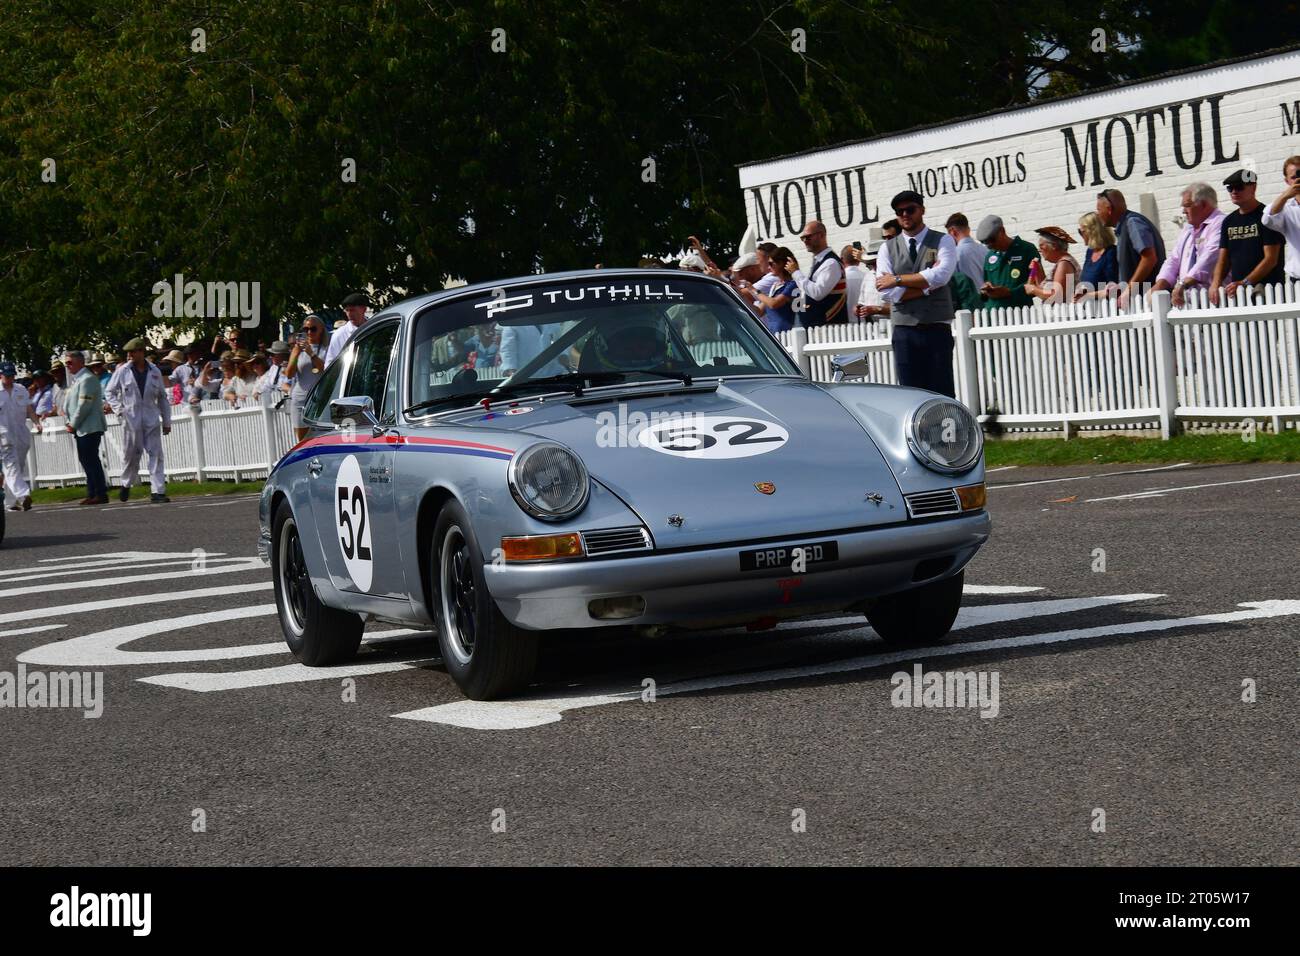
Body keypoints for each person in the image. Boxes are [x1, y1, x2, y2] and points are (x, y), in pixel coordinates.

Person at [874, 190, 958, 396]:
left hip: (936, 327)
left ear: (922, 210)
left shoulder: (943, 240)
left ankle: (947, 429)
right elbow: (886, 293)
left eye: (910, 209)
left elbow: (942, 276)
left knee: (942, 391)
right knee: (911, 394)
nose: (904, 215)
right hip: (904, 331)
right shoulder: (887, 248)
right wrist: (927, 285)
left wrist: (896, 279)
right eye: (899, 211)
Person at [105, 337, 172, 503]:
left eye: (132, 352)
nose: (129, 355)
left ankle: (158, 491)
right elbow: (109, 392)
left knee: (156, 454)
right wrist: (119, 410)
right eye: (128, 352)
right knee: (132, 455)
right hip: (131, 418)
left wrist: (167, 421)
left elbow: (162, 397)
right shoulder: (123, 371)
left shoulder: (154, 371)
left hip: (150, 416)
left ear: (141, 352)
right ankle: (126, 483)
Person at [1210, 169, 1286, 304]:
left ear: (1253, 188)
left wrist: (1244, 282)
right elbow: (1223, 259)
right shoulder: (1228, 221)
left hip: (1268, 292)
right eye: (1230, 188)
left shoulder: (1267, 217)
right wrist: (1215, 283)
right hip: (1240, 294)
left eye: (1239, 187)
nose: (1234, 191)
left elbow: (1271, 259)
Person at [1152, 182, 1226, 307]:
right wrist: (1161, 283)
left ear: (1203, 204)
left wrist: (1183, 283)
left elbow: (1209, 258)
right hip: (1188, 302)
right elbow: (1173, 260)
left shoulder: (1221, 223)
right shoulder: (1187, 230)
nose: (1183, 211)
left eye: (1187, 205)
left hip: (1214, 301)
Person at [1096, 188, 1166, 310]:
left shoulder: (1133, 223)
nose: (1097, 214)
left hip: (1149, 303)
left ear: (1109, 209)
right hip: (1143, 302)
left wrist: (1128, 290)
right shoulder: (1125, 226)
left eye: (1098, 210)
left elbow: (1149, 258)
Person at [60, 350, 109, 506]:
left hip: (89, 427)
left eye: (70, 362)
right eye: (66, 363)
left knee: (91, 460)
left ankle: (99, 493)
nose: (67, 366)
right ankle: (94, 492)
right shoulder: (78, 380)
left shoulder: (87, 379)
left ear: (80, 362)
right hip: (83, 428)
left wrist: (73, 424)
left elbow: (84, 404)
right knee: (87, 460)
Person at [976, 215, 1041, 309]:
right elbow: (987, 282)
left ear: (1002, 231)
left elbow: (1036, 283)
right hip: (994, 315)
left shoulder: (1027, 250)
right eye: (985, 242)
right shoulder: (990, 256)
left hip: (1020, 312)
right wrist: (986, 289)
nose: (989, 246)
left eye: (992, 240)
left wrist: (1010, 293)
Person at [0, 361, 41, 511]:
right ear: (1, 375)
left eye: (12, 375)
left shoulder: (20, 389)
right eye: (7, 375)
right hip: (3, 435)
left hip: (21, 433)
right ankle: (23, 495)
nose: (10, 378)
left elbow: (29, 408)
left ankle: (9, 503)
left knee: (19, 466)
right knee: (11, 467)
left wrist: (37, 422)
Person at [790, 219, 846, 326]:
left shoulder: (830, 263)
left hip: (828, 327)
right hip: (817, 326)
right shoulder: (820, 261)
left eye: (808, 237)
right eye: (803, 238)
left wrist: (796, 272)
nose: (805, 241)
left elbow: (817, 293)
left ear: (821, 235)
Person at [285, 314, 328, 440]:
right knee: (303, 439)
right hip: (300, 398)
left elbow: (324, 369)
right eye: (305, 329)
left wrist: (311, 353)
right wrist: (295, 355)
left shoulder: (326, 348)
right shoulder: (297, 350)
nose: (309, 332)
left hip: (320, 398)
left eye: (313, 329)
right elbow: (289, 373)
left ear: (321, 330)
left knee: (322, 437)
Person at [1261, 155, 1300, 283]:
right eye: (1294, 177)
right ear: (1287, 181)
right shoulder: (1286, 208)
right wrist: (1285, 196)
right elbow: (1267, 219)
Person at [746, 247, 799, 333]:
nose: (768, 267)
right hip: (775, 334)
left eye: (771, 263)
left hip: (788, 333)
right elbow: (759, 311)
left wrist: (754, 291)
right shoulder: (775, 285)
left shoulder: (792, 284)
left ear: (781, 263)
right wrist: (740, 296)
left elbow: (774, 303)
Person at [1024, 227, 1080, 304]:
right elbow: (1045, 289)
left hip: (1064, 314)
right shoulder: (1062, 263)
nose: (1039, 250)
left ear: (1054, 246)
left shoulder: (1064, 264)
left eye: (1041, 246)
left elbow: (1056, 296)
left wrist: (1033, 289)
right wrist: (1037, 271)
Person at [1074, 211, 1120, 301]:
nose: (1080, 235)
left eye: (1081, 231)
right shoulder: (1090, 252)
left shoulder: (1111, 253)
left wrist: (1088, 295)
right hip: (1090, 309)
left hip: (1107, 309)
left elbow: (1113, 289)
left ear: (1092, 232)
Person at [324, 292, 371, 365]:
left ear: (364, 309)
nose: (349, 314)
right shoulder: (339, 335)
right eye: (347, 310)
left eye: (352, 310)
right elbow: (330, 364)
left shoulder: (374, 327)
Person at [944, 213, 988, 286]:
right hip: (989, 295)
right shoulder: (985, 250)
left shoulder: (953, 254)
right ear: (968, 229)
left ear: (953, 231)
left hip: (968, 297)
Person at [854, 240, 892, 320]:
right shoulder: (868, 276)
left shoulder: (895, 275)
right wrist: (858, 308)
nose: (874, 266)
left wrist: (877, 310)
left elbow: (903, 308)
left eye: (876, 262)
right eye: (871, 263)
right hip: (871, 326)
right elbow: (862, 302)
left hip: (891, 325)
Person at [841, 245, 867, 316]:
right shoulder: (866, 277)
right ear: (858, 260)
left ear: (841, 259)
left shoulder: (839, 279)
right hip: (864, 322)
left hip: (842, 323)